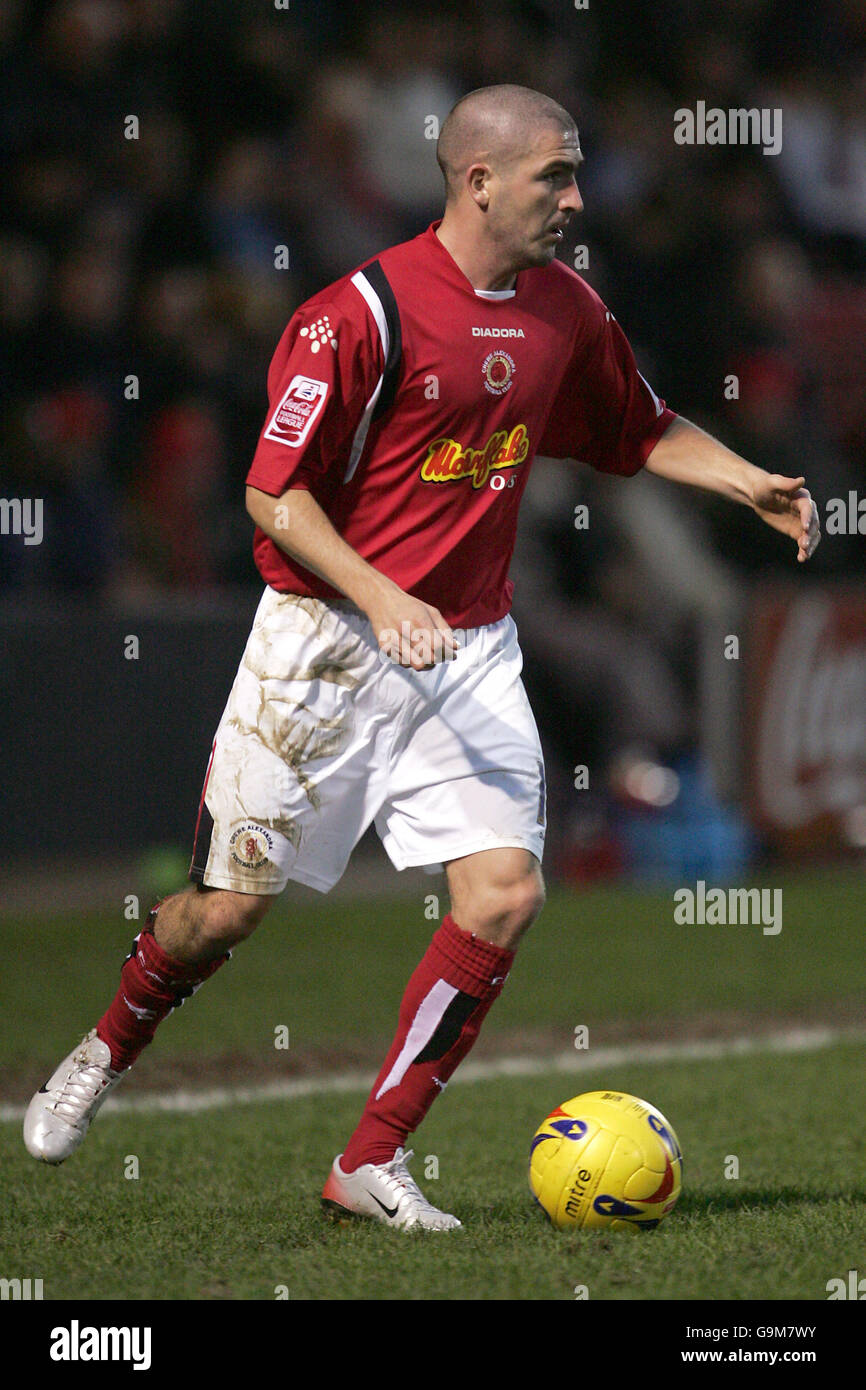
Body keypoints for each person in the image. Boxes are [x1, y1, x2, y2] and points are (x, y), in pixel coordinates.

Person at [24, 85, 820, 1229]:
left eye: (576, 172)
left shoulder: (561, 309)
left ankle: (368, 1159)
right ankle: (103, 1048)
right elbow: (268, 492)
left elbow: (638, 426)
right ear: (478, 180)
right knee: (220, 917)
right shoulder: (357, 314)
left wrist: (744, 478)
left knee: (502, 895)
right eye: (554, 176)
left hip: (466, 647)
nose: (575, 197)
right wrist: (377, 589)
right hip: (322, 649)